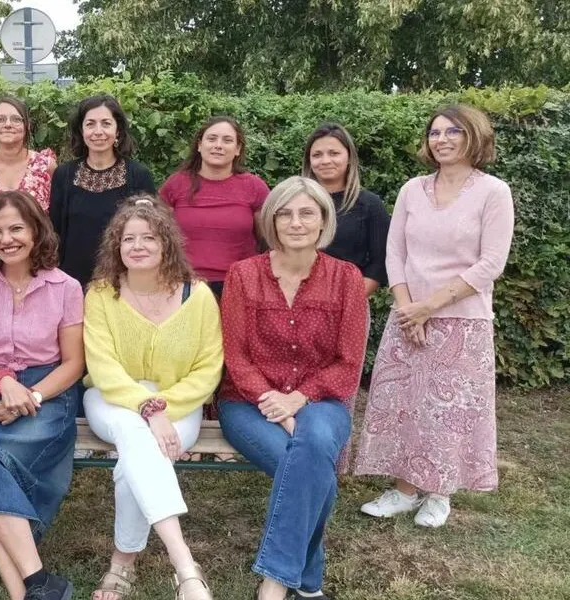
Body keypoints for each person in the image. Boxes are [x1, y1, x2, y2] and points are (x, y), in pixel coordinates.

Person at [354, 105, 515, 528]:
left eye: (452, 131)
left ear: (474, 137)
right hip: (409, 316)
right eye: (435, 133)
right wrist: (410, 308)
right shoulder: (412, 189)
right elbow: (395, 253)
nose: (441, 139)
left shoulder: (493, 192)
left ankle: (439, 493)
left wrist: (431, 306)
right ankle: (404, 490)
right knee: (404, 405)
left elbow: (491, 263)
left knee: (449, 411)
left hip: (461, 319)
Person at [218, 176, 368, 600]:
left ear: (323, 221)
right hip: (247, 401)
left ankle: (274, 582)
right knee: (312, 465)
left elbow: (349, 362)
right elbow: (236, 355)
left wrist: (298, 400)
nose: (295, 222)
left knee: (314, 441)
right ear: (271, 221)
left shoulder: (347, 278)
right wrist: (277, 406)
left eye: (307, 213)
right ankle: (307, 580)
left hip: (320, 398)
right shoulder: (243, 275)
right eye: (285, 213)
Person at [82, 197, 222, 600]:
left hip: (179, 403)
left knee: (135, 455)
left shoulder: (197, 297)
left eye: (148, 237)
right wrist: (146, 407)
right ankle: (185, 567)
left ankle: (120, 567)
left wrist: (164, 407)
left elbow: (208, 369)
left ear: (167, 244)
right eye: (129, 238)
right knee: (135, 431)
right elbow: (104, 368)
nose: (138, 245)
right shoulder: (101, 295)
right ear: (117, 246)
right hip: (113, 401)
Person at [0, 190, 83, 600]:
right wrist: (4, 384)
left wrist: (30, 398)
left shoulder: (66, 287)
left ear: (36, 231)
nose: (6, 239)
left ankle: (29, 588)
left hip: (48, 393)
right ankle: (35, 584)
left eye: (16, 229)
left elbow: (73, 364)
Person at [50, 94, 156, 287]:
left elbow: (150, 233)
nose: (98, 131)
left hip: (124, 282)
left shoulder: (139, 176)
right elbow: (54, 233)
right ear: (81, 131)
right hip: (72, 283)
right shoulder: (63, 175)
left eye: (106, 123)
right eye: (90, 124)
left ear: (118, 131)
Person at [159, 116, 270, 298]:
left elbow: (268, 241)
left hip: (240, 287)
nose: (218, 145)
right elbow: (159, 237)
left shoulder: (254, 187)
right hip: (182, 285)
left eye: (227, 140)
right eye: (212, 139)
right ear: (199, 145)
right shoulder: (176, 184)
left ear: (237, 149)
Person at [302, 123, 390, 295]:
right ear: (309, 161)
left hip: (348, 303)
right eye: (317, 155)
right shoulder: (294, 202)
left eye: (334, 153)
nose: (325, 160)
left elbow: (379, 264)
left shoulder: (370, 204)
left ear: (349, 157)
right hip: (294, 305)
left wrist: (350, 300)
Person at [0, 96, 57, 212]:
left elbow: (57, 219)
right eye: (0, 119)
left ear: (27, 127)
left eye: (16, 119)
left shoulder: (45, 167)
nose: (8, 124)